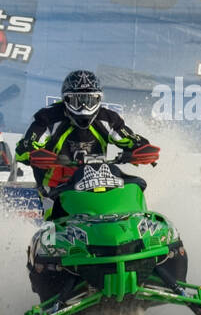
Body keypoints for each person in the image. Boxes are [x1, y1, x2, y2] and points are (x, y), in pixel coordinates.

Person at [15, 70, 158, 218]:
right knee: (54, 224)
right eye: (77, 101)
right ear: (66, 100)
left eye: (89, 100)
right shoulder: (47, 118)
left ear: (98, 99)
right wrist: (35, 155)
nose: (84, 106)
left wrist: (141, 150)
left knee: (129, 191)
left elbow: (131, 139)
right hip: (55, 187)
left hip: (99, 180)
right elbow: (24, 149)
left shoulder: (108, 119)